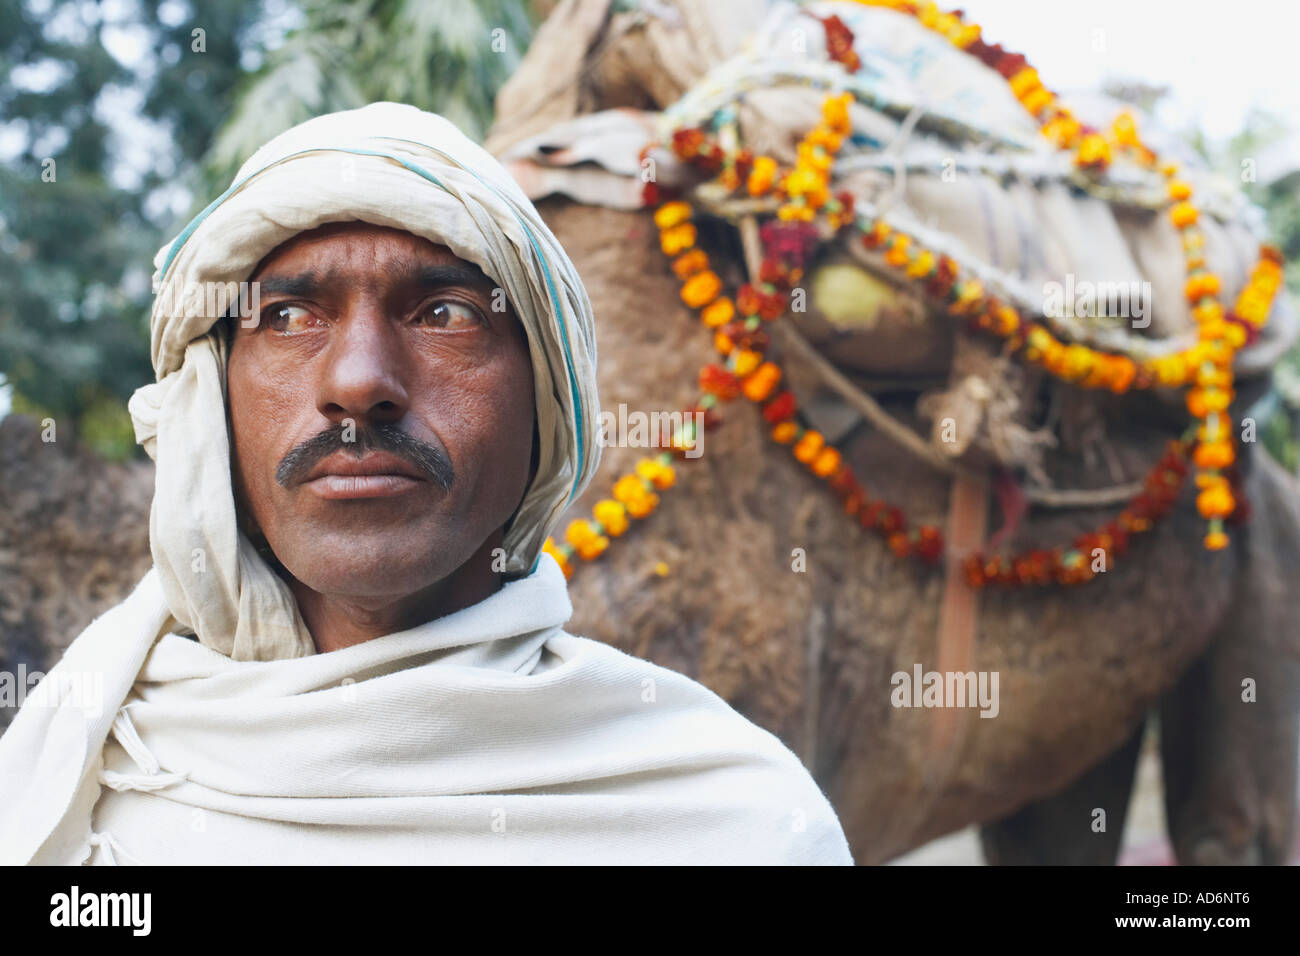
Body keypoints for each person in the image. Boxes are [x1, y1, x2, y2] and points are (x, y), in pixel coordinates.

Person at [0, 103, 853, 865]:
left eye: (446, 312)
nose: (359, 382)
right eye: (290, 317)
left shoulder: (734, 824)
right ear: (212, 404)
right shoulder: (86, 773)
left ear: (547, 408)